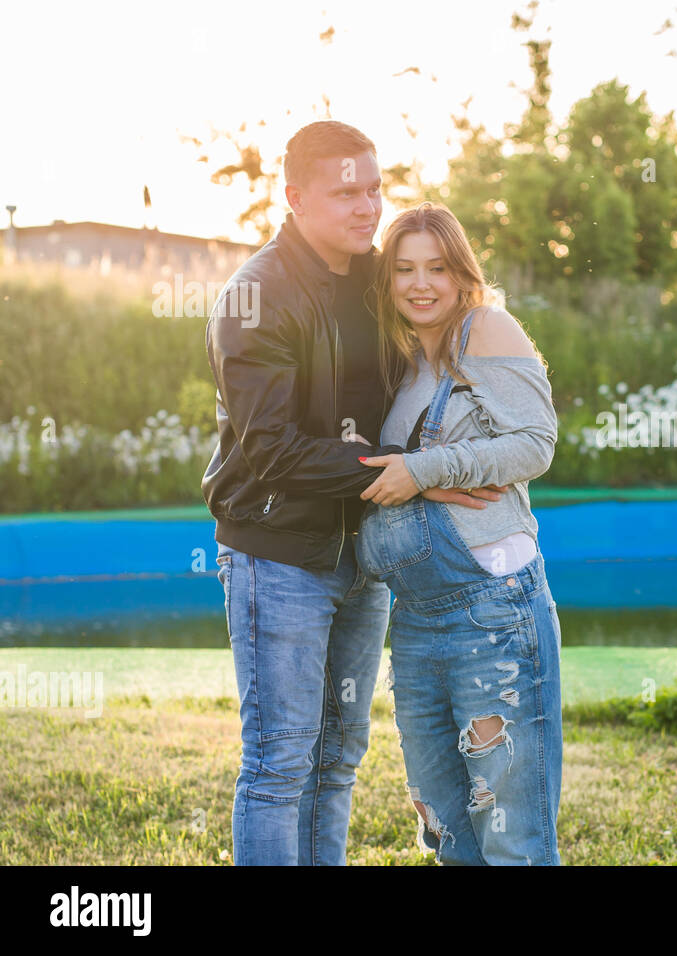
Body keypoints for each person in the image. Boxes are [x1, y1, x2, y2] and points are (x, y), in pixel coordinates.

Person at [203, 122, 503, 866]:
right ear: (296, 196)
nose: (368, 206)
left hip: (363, 558)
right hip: (280, 557)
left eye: (374, 187)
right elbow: (269, 449)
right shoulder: (254, 295)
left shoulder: (382, 281)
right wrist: (400, 471)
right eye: (347, 192)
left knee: (337, 758)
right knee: (279, 764)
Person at [354, 201, 563, 865]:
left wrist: (427, 469)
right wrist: (423, 478)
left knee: (512, 838)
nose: (420, 283)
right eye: (404, 269)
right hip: (416, 622)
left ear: (461, 273)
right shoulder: (406, 360)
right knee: (446, 832)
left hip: (491, 612)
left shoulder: (485, 328)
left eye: (437, 268)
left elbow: (535, 444)